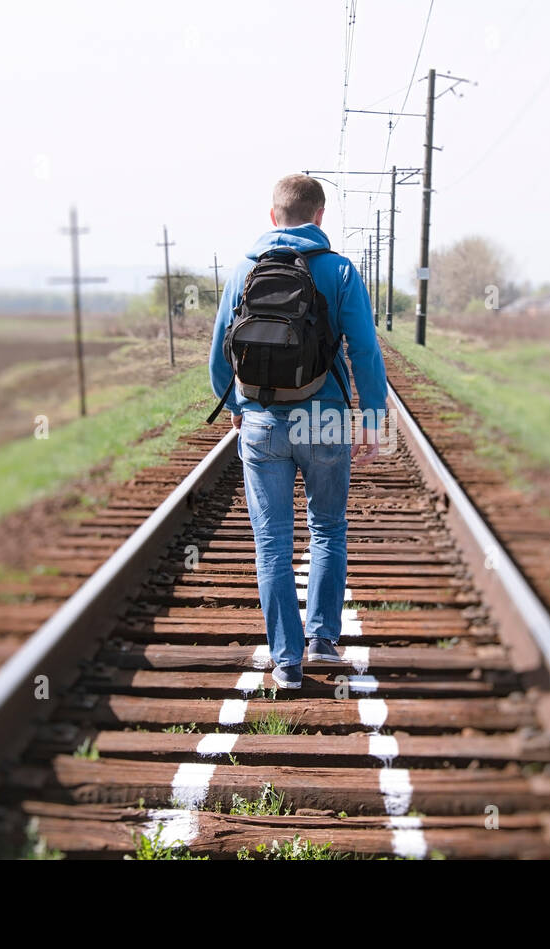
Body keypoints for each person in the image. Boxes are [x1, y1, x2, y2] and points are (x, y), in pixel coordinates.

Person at [209, 173, 388, 689]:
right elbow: (366, 352)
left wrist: (240, 406)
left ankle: (285, 662)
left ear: (273, 217)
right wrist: (370, 421)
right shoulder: (341, 271)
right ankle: (323, 642)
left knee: (272, 543)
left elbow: (220, 349)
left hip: (263, 419)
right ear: (319, 217)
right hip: (326, 417)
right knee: (327, 528)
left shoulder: (243, 269)